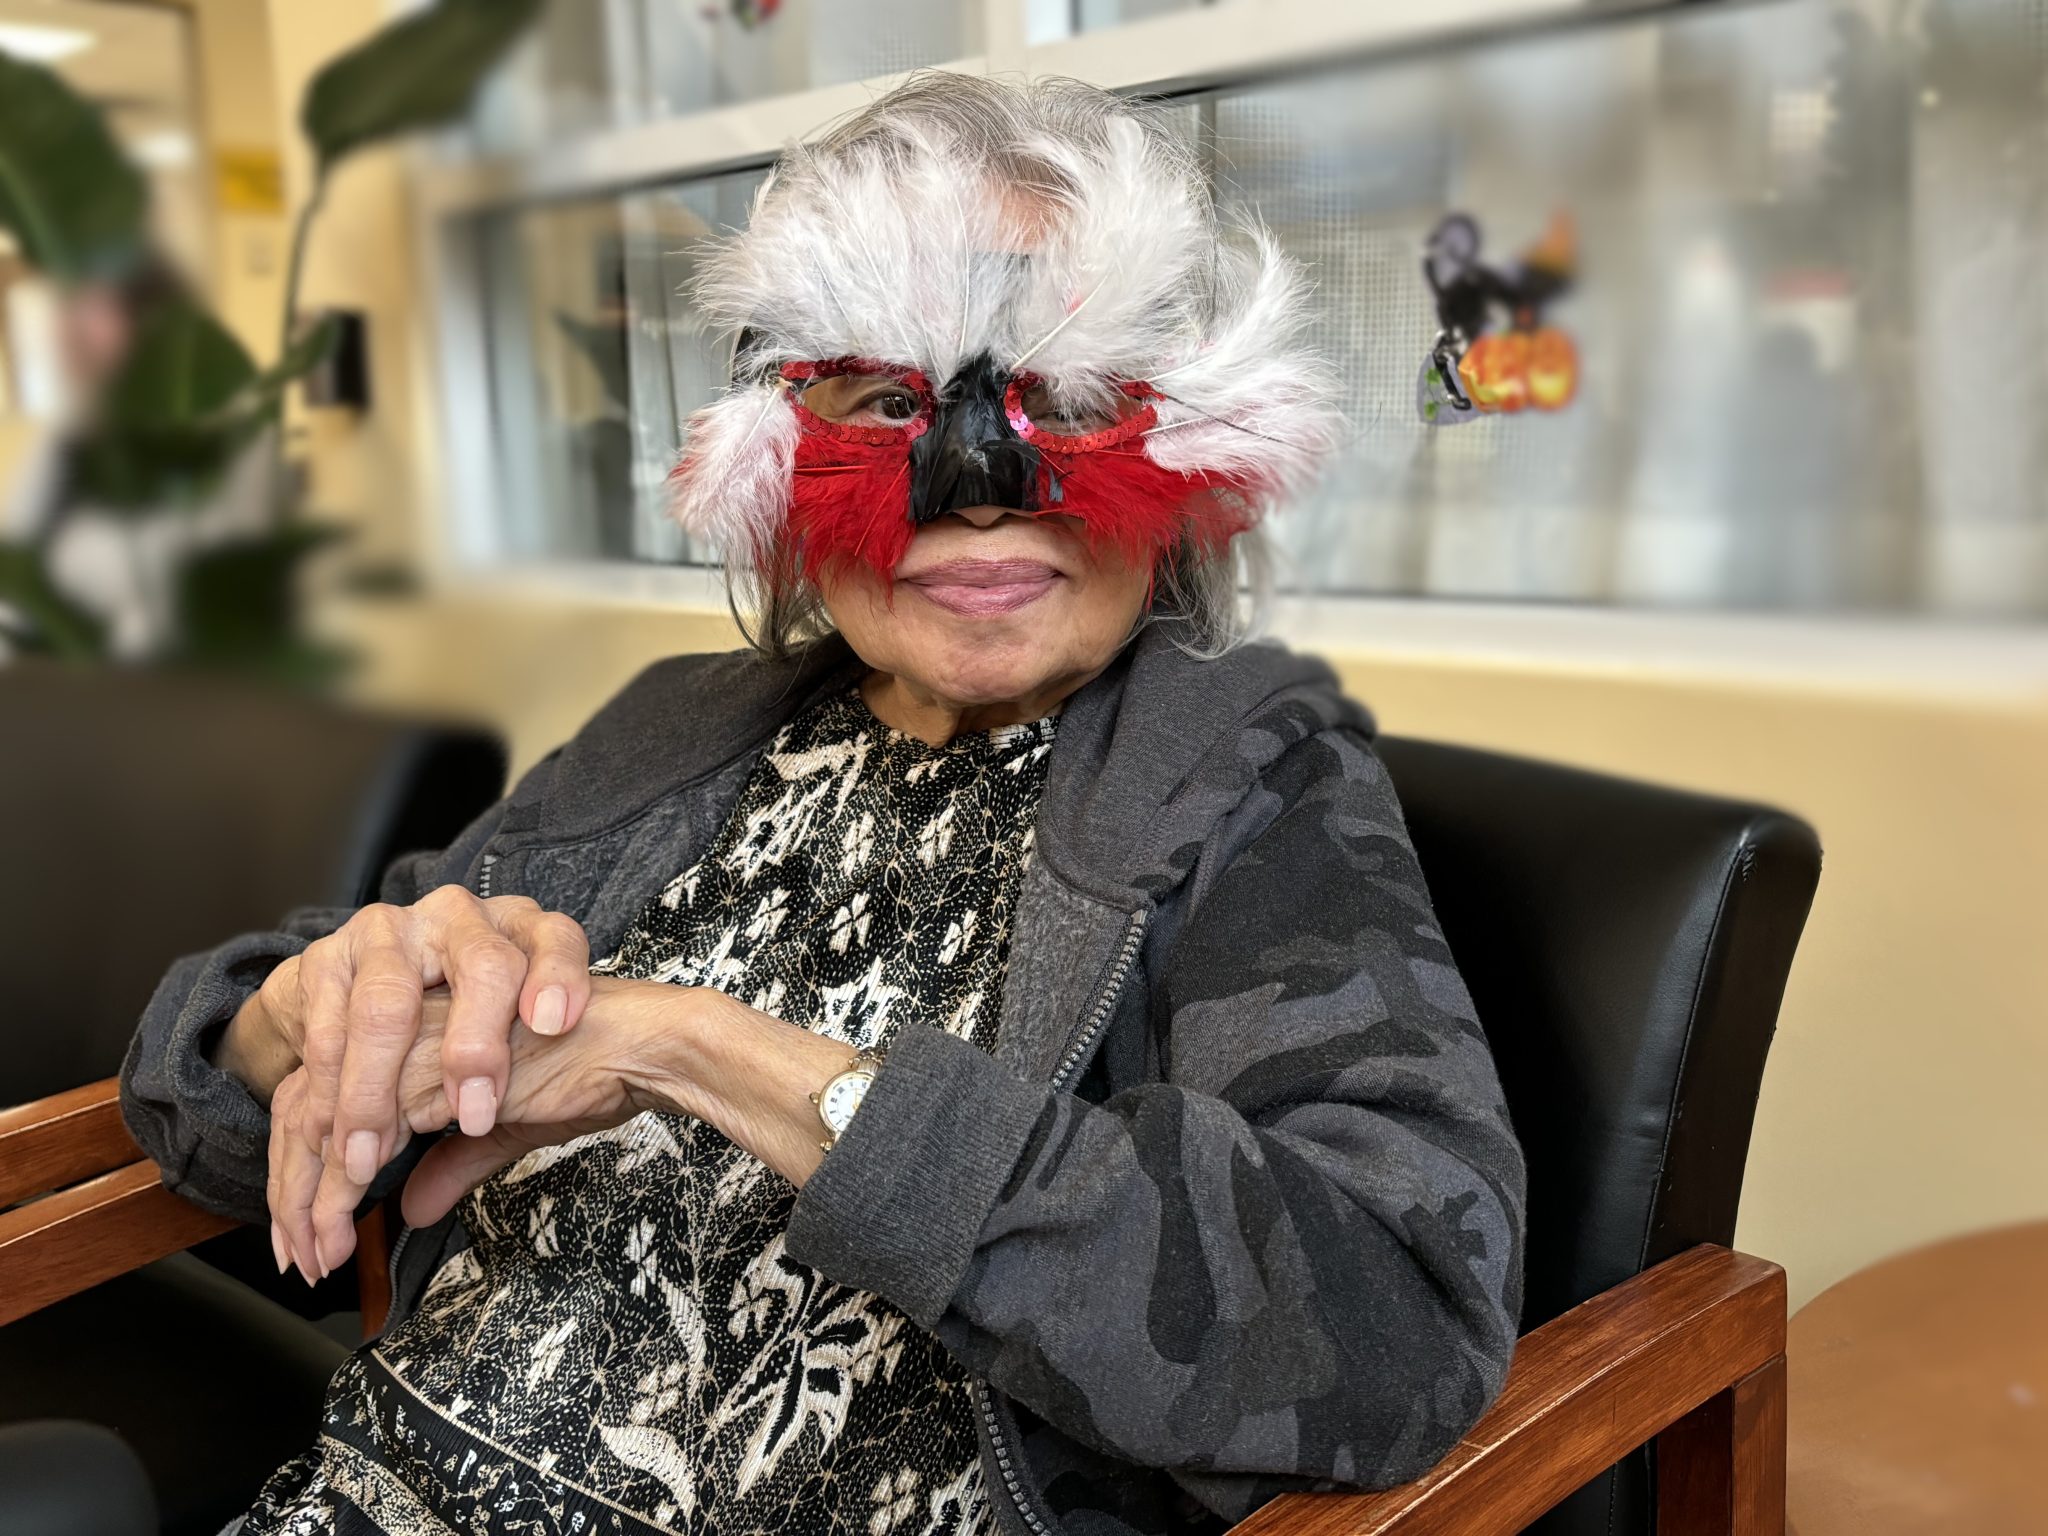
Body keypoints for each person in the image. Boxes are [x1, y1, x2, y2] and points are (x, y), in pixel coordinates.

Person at [122, 72, 1527, 1536]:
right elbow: (200, 1104)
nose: (979, 488)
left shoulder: (1253, 778)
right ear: (779, 464)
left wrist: (694, 1046)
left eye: (1075, 395)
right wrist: (301, 1016)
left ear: (1185, 449)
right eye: (885, 401)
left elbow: (1394, 1333)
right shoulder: (673, 725)